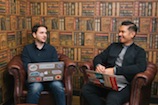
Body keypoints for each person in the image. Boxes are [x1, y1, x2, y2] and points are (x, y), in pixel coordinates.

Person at [81, 21, 147, 105]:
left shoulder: (139, 51)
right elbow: (99, 58)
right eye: (119, 31)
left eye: (123, 32)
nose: (119, 34)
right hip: (107, 81)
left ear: (132, 34)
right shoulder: (113, 46)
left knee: (112, 99)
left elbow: (140, 67)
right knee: (86, 89)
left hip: (123, 85)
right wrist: (98, 65)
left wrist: (115, 70)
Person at [21, 24, 66, 105]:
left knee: (58, 86)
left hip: (50, 80)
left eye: (45, 33)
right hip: (35, 80)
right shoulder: (27, 49)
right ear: (34, 35)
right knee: (35, 87)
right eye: (41, 33)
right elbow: (26, 66)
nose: (45, 35)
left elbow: (55, 66)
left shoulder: (51, 49)